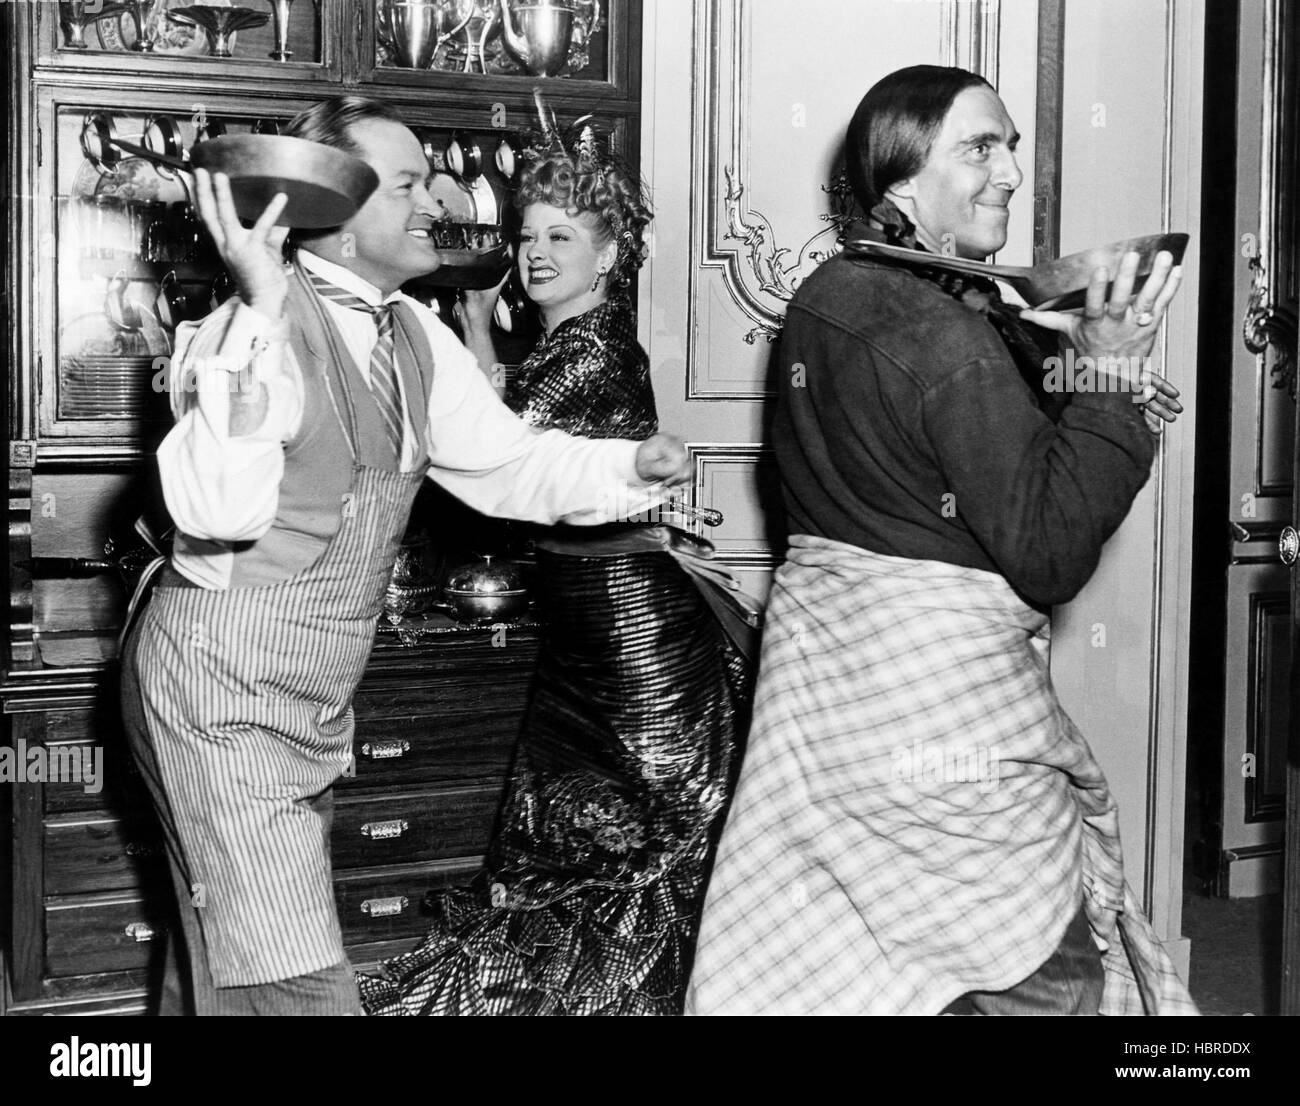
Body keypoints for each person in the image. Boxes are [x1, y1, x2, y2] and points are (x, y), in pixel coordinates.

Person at [119, 95, 693, 1017]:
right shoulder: (244, 334)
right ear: (336, 217)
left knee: (224, 960)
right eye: (408, 185)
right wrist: (261, 307)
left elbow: (510, 465)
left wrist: (630, 467)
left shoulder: (415, 336)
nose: (438, 202)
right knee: (292, 978)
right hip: (215, 697)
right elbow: (215, 509)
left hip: (304, 705)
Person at [685, 65, 1199, 1015]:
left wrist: (1069, 376)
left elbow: (912, 464)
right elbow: (1049, 547)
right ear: (903, 181)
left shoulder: (826, 297)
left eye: (1011, 147)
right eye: (979, 148)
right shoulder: (947, 339)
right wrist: (1112, 384)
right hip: (946, 723)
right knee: (1032, 970)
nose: (1011, 172)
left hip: (834, 717)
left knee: (864, 975)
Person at [358, 122, 755, 1016]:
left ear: (609, 254)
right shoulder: (568, 342)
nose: (535, 253)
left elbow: (496, 452)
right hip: (589, 619)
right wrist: (474, 322)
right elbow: (505, 426)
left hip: (632, 631)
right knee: (585, 826)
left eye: (561, 237)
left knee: (625, 831)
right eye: (528, 234)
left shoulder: (593, 349)